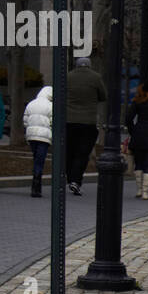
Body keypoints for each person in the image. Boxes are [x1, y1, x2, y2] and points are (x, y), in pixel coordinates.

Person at [65, 55, 106, 195]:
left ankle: (69, 177)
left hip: (69, 120)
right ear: (89, 65)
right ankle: (76, 180)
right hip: (88, 122)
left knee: (69, 151)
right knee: (82, 153)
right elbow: (103, 96)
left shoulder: (68, 76)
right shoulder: (96, 77)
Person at [23, 85, 53, 198]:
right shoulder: (51, 105)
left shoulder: (31, 103)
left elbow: (25, 119)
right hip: (44, 136)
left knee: (36, 157)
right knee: (40, 160)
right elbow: (53, 121)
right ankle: (37, 184)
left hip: (31, 135)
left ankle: (35, 183)